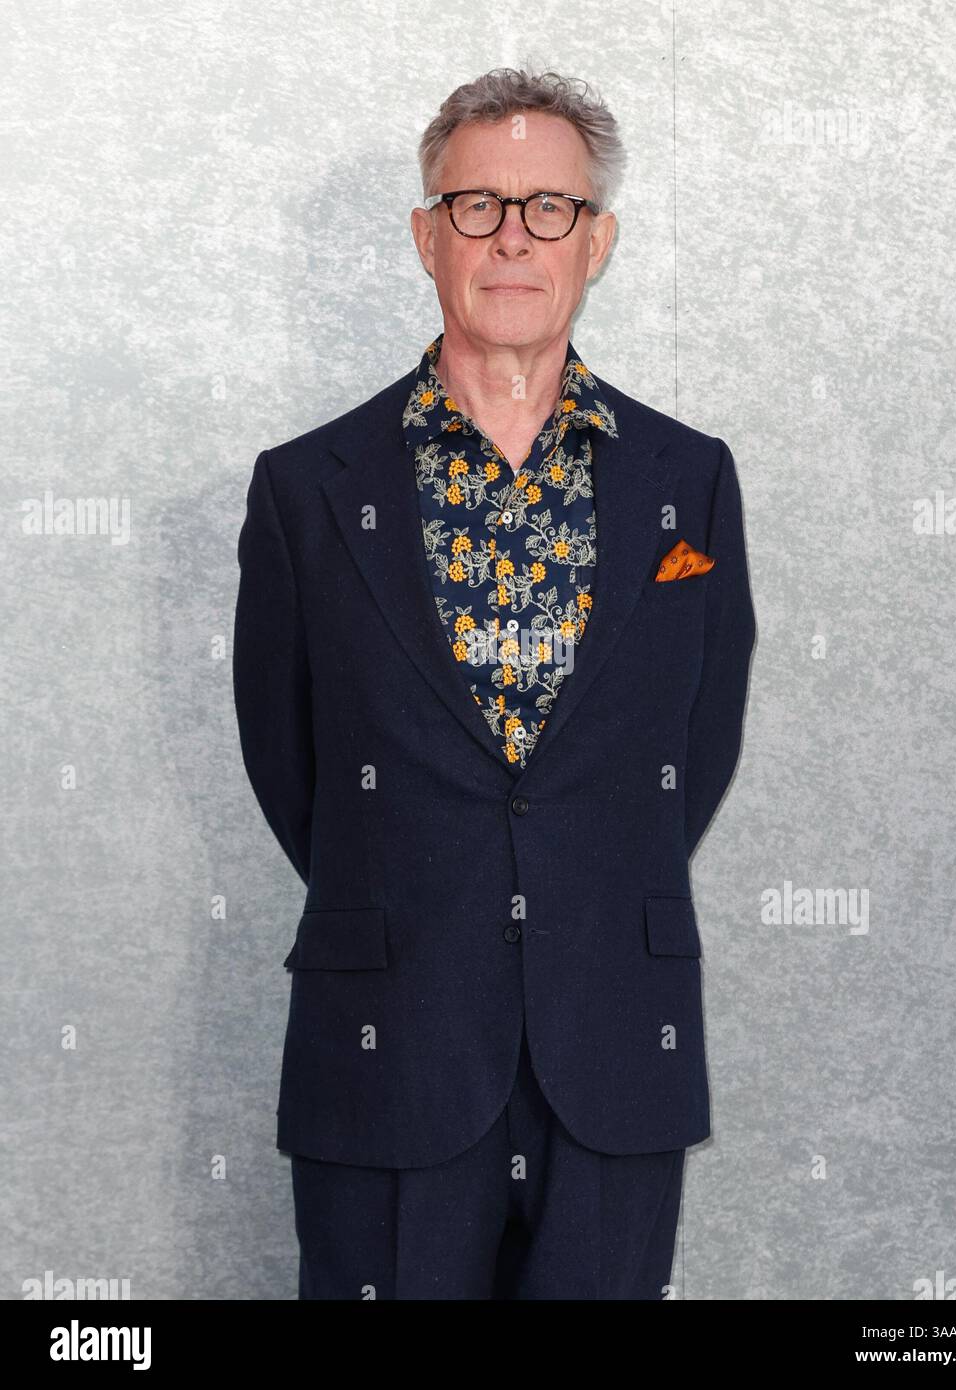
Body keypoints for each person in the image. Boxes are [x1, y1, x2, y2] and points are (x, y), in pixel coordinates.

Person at [233, 65, 756, 1300]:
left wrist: (570, 880)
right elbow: (289, 763)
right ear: (427, 236)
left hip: (614, 1042)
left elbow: (696, 742)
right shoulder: (305, 490)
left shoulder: (690, 482)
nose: (512, 236)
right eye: (477, 206)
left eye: (549, 209)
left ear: (598, 242)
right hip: (391, 1041)